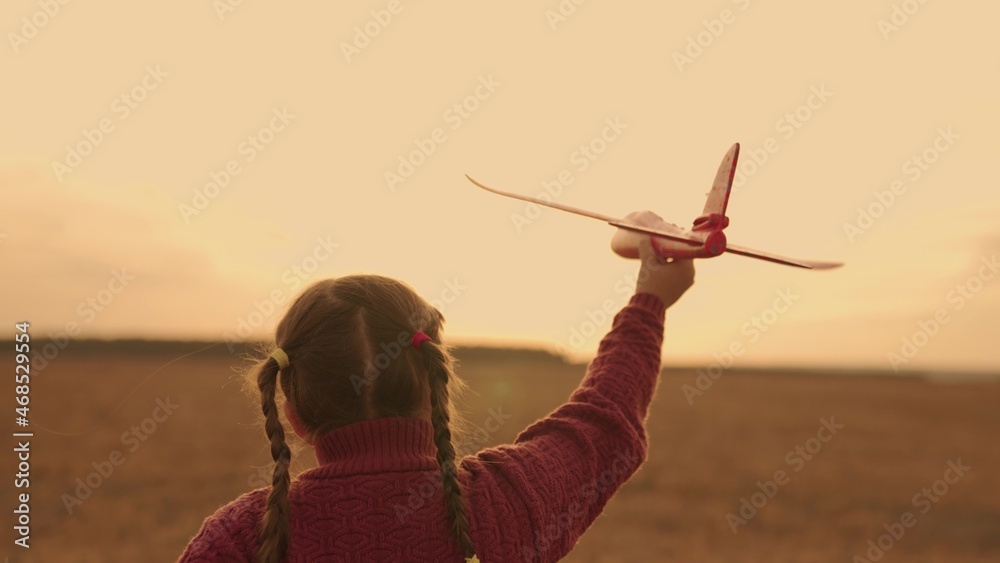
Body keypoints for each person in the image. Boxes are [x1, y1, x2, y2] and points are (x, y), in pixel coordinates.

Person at [179, 223, 695, 562]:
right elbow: (603, 421)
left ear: (292, 413)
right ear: (435, 387)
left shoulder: (237, 541)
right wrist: (650, 298)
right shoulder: (505, 503)